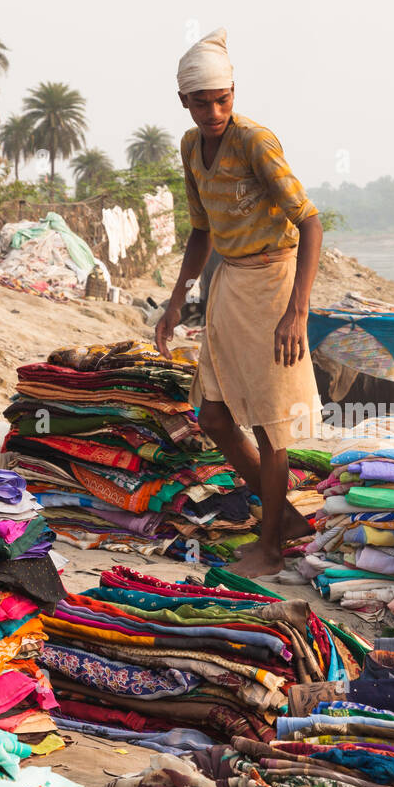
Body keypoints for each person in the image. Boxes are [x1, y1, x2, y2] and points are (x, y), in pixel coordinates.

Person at [155, 28, 323, 577]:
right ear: (184, 102)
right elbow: (201, 229)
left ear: (234, 93)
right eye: (201, 102)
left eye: (222, 99)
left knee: (273, 425)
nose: (213, 111)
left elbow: (310, 221)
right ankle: (288, 519)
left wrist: (297, 311)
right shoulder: (190, 146)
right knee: (215, 415)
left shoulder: (256, 140)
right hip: (229, 285)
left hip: (275, 282)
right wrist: (177, 299)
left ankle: (271, 546)